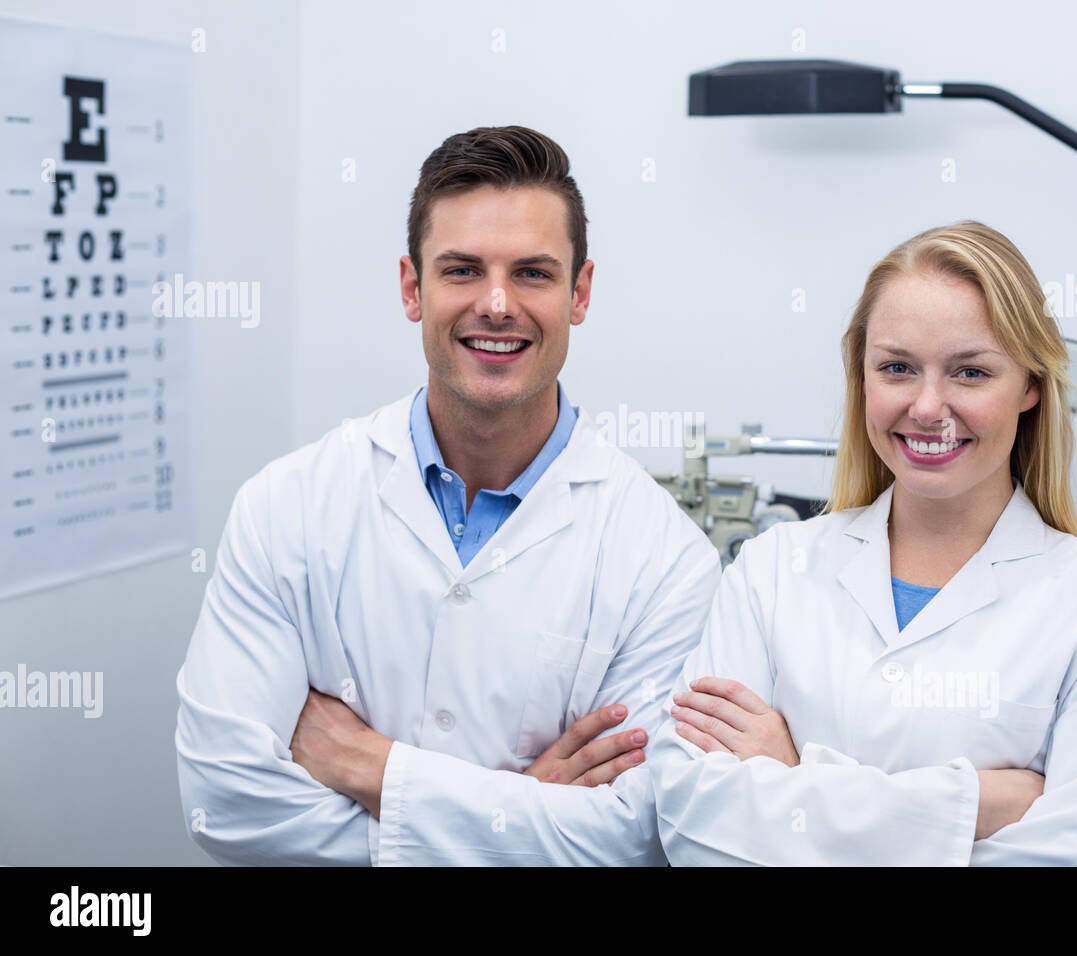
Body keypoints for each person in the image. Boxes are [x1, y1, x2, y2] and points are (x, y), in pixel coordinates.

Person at [175, 126, 720, 865]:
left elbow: (636, 836)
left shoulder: (665, 559)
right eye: (462, 270)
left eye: (532, 273)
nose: (496, 306)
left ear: (579, 292)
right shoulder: (288, 506)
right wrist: (524, 810)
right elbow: (224, 806)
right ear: (412, 286)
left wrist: (370, 767)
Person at [649, 221, 1077, 865]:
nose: (929, 407)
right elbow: (693, 825)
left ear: (1031, 386)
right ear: (862, 379)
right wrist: (972, 807)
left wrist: (793, 779)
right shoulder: (771, 573)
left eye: (970, 372)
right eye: (898, 368)